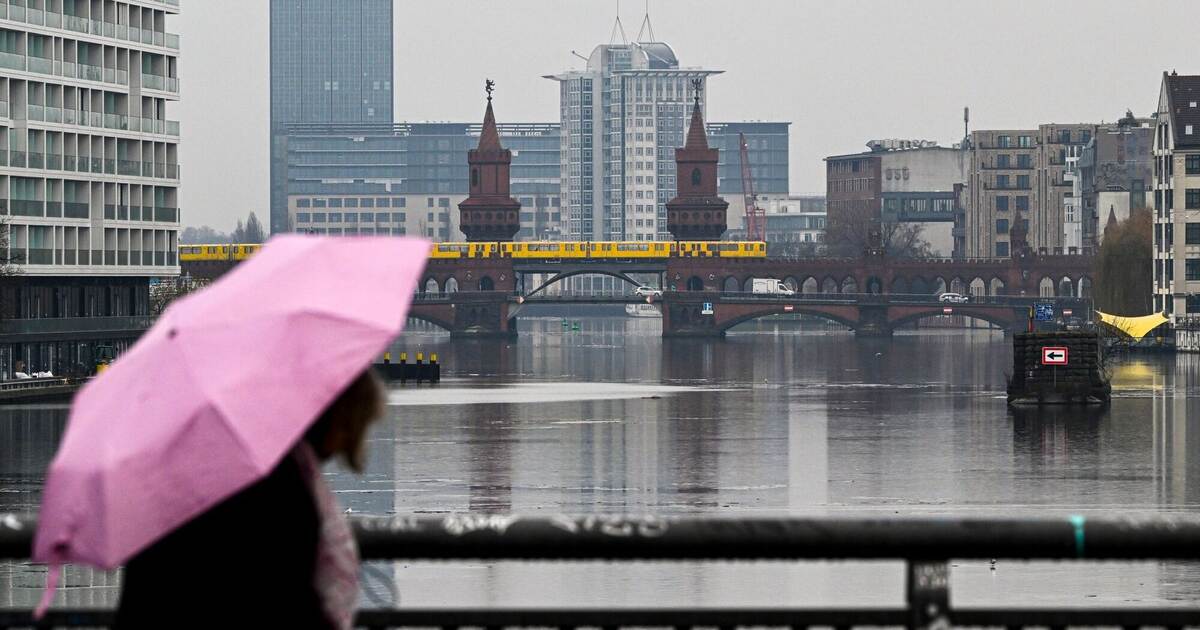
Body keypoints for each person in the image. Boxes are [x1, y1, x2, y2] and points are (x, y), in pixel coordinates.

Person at [114, 370, 386, 629]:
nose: (352, 442)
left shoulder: (225, 463)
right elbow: (287, 597)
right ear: (337, 418)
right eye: (357, 426)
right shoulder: (279, 482)